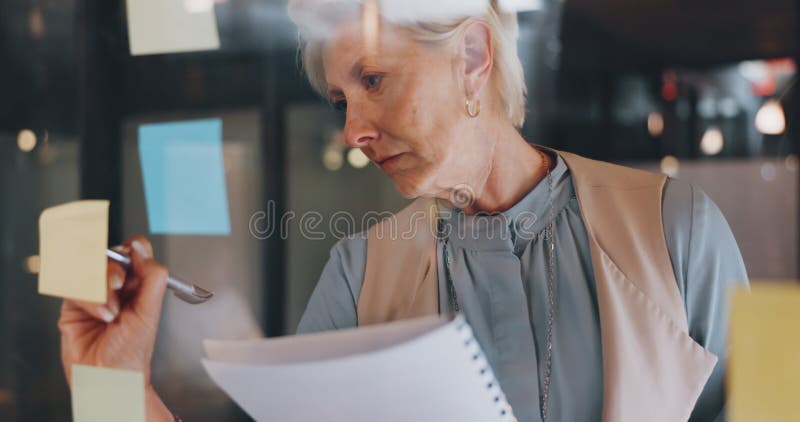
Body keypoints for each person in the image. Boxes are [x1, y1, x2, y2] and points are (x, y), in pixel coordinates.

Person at [59, 1, 748, 421]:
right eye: (341, 100)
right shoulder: (356, 275)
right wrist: (110, 392)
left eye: (374, 80)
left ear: (472, 56)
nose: (352, 130)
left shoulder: (675, 229)